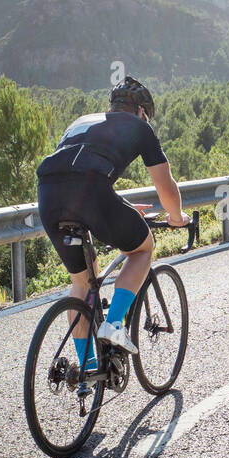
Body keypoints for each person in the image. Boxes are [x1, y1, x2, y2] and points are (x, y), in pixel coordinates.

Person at [36, 76, 187, 366]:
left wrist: (123, 207)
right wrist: (176, 216)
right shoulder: (140, 128)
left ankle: (87, 368)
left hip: (49, 194)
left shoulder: (82, 122)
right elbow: (164, 185)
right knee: (142, 249)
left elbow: (76, 173)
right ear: (142, 111)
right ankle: (114, 324)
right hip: (92, 192)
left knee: (81, 284)